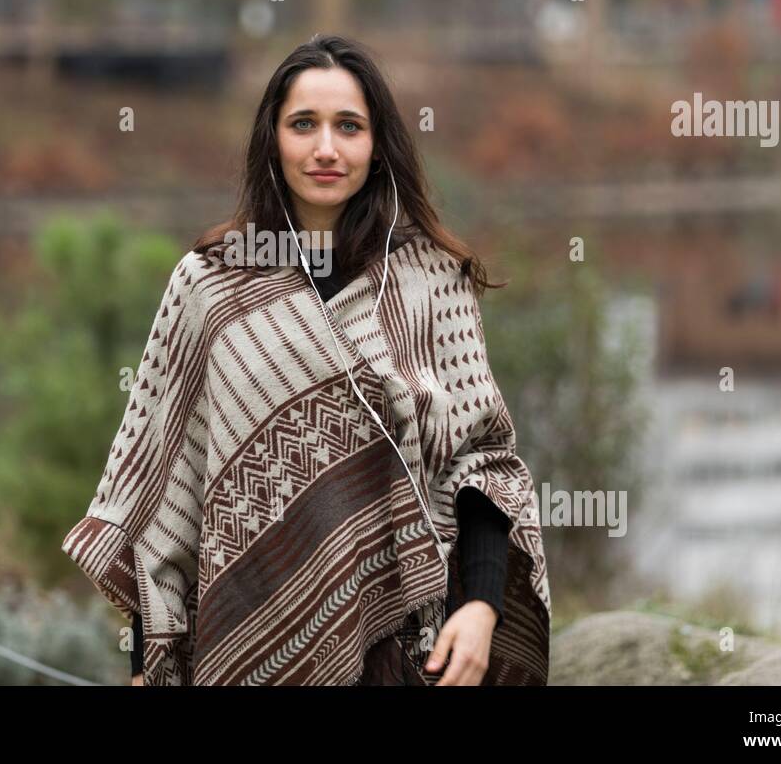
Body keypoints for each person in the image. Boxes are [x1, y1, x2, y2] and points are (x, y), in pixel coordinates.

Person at [62, 34, 551, 685]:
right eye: (303, 125)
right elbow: (159, 496)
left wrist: (484, 606)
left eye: (348, 127)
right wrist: (146, 663)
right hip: (242, 645)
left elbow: (483, 462)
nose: (326, 148)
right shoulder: (209, 286)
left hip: (406, 650)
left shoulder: (433, 284)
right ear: (273, 140)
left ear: (377, 146)